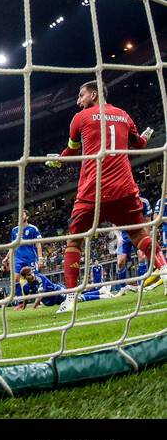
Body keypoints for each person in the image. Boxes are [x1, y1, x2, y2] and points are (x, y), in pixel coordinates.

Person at [48, 80, 162, 313]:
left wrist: (57, 159)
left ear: (94, 94)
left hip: (93, 191)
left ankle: (70, 298)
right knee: (139, 234)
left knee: (75, 241)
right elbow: (139, 145)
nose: (78, 100)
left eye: (81, 95)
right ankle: (165, 270)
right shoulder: (123, 115)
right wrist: (146, 136)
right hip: (124, 188)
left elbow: (72, 150)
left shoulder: (80, 118)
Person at [3, 209, 63, 308]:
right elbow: (12, 246)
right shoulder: (14, 230)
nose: (20, 216)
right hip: (18, 258)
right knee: (15, 279)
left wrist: (40, 258)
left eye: (22, 214)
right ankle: (21, 303)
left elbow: (38, 244)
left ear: (27, 217)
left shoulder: (33, 229)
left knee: (34, 278)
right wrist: (6, 257)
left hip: (30, 258)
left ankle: (38, 301)